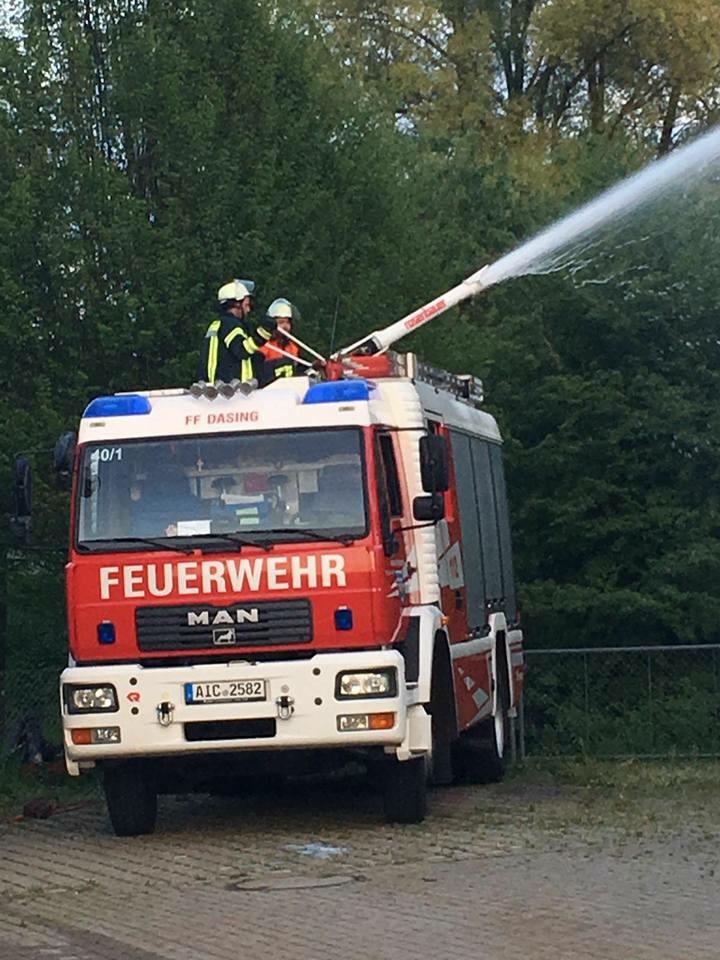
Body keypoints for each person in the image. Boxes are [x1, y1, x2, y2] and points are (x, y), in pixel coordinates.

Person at [199, 279, 276, 385]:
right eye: (246, 305)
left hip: (222, 391)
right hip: (231, 392)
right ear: (237, 304)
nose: (248, 310)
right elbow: (242, 350)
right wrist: (264, 332)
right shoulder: (230, 324)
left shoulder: (221, 324)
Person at [259, 298, 301, 383]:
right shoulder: (265, 346)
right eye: (281, 322)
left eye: (287, 322)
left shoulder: (293, 347)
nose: (285, 326)